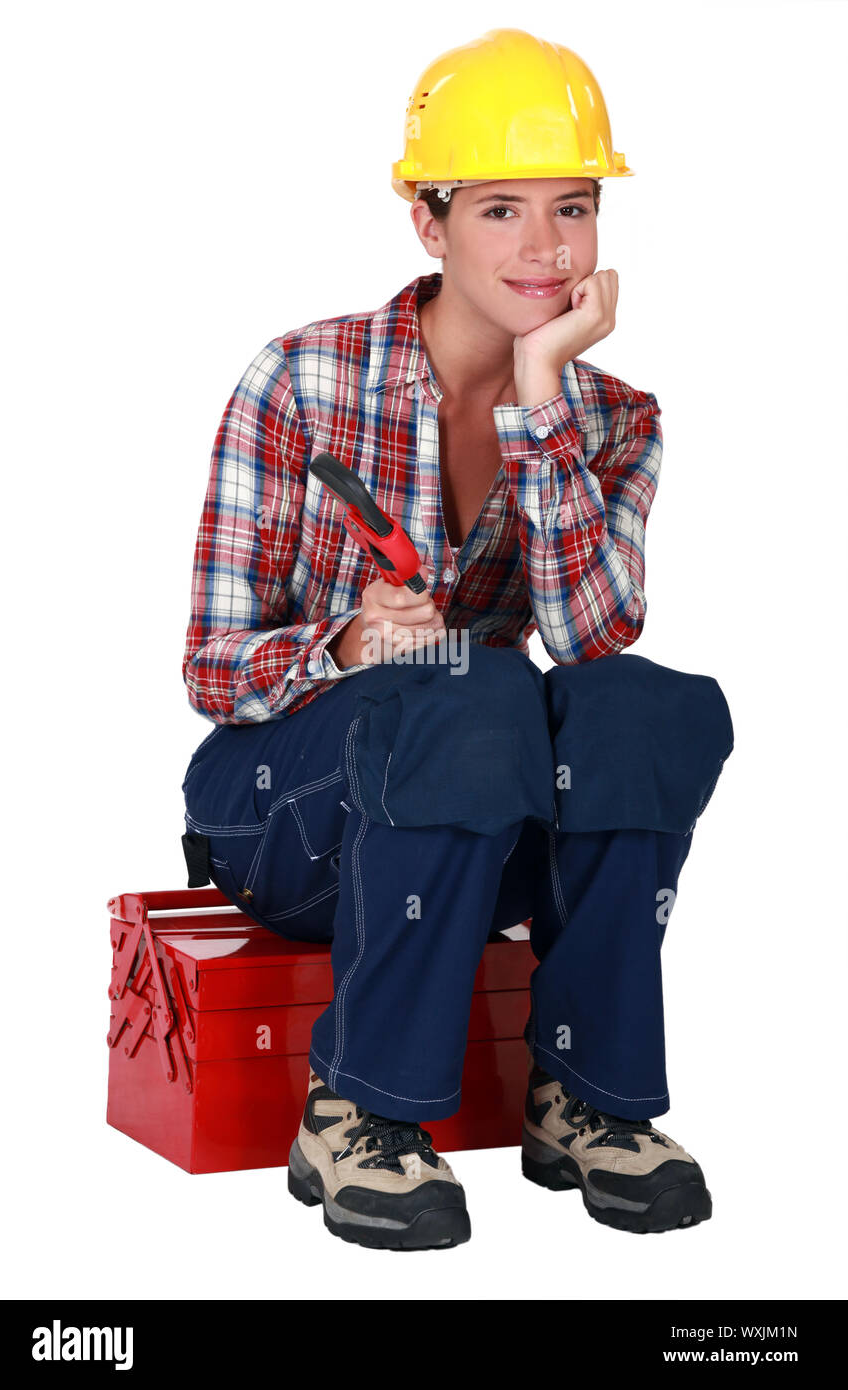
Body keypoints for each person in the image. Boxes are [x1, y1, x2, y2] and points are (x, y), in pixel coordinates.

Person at [180, 28, 733, 1250]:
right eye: (498, 210)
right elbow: (211, 667)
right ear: (427, 225)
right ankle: (356, 1110)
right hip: (288, 814)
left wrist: (541, 396)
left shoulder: (614, 418)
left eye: (572, 208)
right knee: (474, 689)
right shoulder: (301, 381)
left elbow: (591, 643)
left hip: (467, 817)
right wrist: (344, 643)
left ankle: (583, 1091)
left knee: (645, 702)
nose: (545, 249)